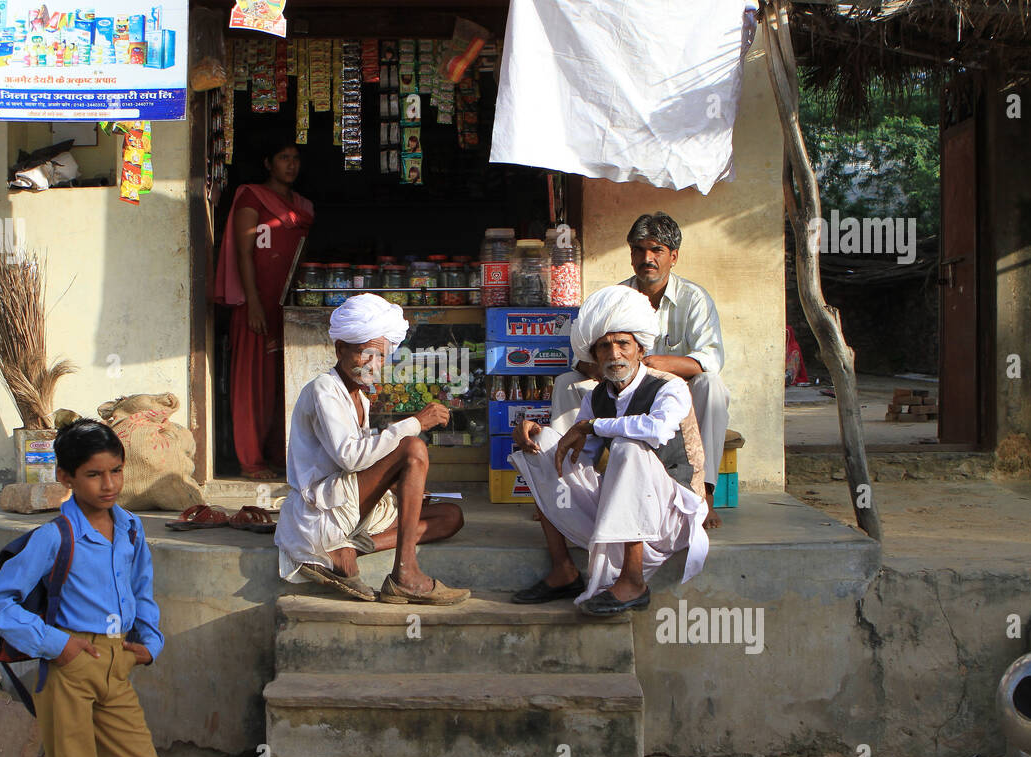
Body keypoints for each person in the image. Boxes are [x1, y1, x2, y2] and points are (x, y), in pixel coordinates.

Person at [0, 419, 168, 757]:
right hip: (68, 664)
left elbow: (141, 589)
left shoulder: (131, 528)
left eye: (116, 471)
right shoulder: (54, 536)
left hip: (118, 663)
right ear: (66, 477)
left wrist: (150, 643)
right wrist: (56, 644)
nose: (109, 485)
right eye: (94, 475)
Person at [509, 285, 710, 617]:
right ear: (595, 357)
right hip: (623, 508)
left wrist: (593, 426)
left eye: (623, 344)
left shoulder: (669, 387)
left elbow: (657, 431)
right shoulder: (599, 395)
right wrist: (538, 434)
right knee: (543, 451)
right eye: (604, 347)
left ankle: (633, 581)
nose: (614, 354)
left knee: (629, 449)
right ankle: (563, 569)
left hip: (672, 514)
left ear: (640, 350)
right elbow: (579, 456)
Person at [276, 293, 470, 604]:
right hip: (327, 508)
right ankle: (405, 574)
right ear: (340, 349)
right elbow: (350, 457)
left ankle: (348, 548)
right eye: (366, 354)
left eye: (380, 356)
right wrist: (414, 423)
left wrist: (398, 485)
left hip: (353, 509)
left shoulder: (361, 398)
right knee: (414, 448)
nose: (374, 364)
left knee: (450, 516)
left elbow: (365, 459)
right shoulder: (323, 390)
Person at [621, 211, 730, 528]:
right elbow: (587, 355)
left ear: (673, 256)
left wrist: (658, 365)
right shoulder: (618, 297)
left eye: (656, 250)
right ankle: (560, 493)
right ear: (631, 257)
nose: (648, 258)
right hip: (627, 394)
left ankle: (703, 495)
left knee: (712, 385)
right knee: (569, 383)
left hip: (677, 399)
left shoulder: (694, 299)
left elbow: (710, 357)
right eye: (640, 250)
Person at [214, 138, 315, 480]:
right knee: (251, 385)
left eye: (296, 158)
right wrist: (253, 302)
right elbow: (244, 253)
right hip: (254, 304)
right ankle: (250, 461)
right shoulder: (251, 197)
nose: (291, 164)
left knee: (282, 385)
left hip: (287, 307)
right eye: (284, 157)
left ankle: (277, 455)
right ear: (268, 163)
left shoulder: (303, 206)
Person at [548, 359, 600, 435]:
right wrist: (599, 369)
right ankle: (564, 437)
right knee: (565, 380)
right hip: (597, 377)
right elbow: (579, 363)